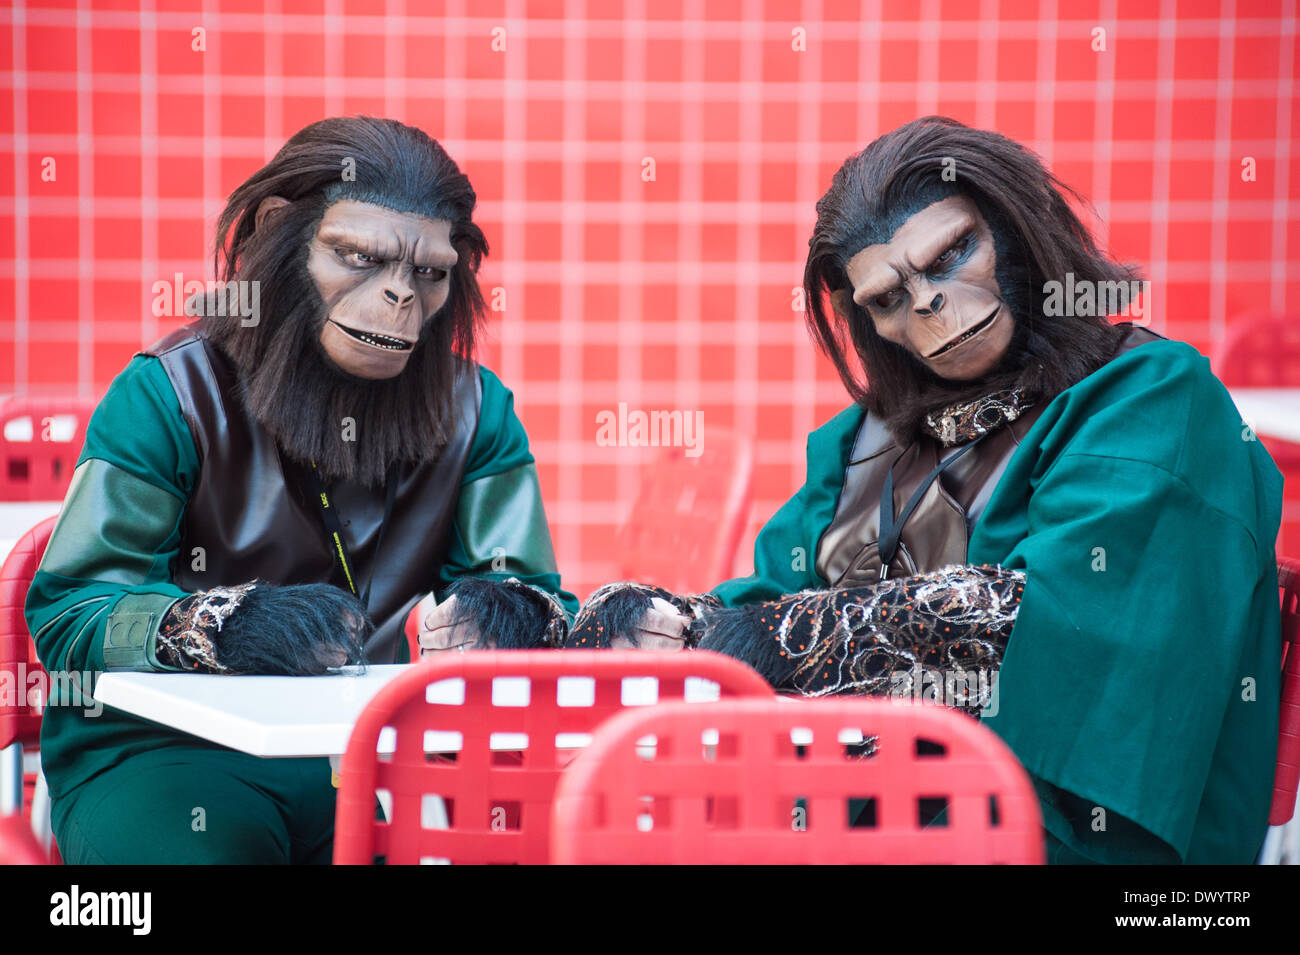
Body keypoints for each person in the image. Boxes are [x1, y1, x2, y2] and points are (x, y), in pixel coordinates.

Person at [573, 116, 1283, 865]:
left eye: (952, 253)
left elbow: (1046, 631)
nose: (928, 304)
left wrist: (787, 641)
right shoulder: (863, 440)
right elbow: (757, 608)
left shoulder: (1151, 402)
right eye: (887, 298)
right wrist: (624, 623)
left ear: (1020, 228)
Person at [27, 117, 577, 864]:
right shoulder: (167, 394)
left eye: (429, 272)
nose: (398, 296)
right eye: (359, 256)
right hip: (165, 755)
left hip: (385, 759)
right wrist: (218, 626)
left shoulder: (478, 412)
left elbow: (535, 598)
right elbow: (73, 609)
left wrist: (496, 615)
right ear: (281, 238)